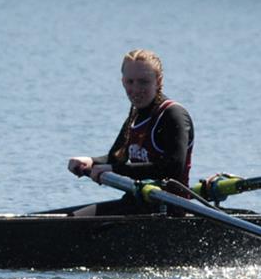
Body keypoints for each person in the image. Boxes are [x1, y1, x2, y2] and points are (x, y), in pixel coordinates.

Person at [65, 48, 194, 215]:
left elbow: (172, 168)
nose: (136, 89)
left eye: (144, 82)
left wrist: (114, 169)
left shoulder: (173, 115)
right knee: (71, 219)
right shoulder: (135, 115)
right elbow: (116, 158)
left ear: (158, 81)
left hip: (169, 209)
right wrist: (90, 161)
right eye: (130, 82)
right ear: (122, 81)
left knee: (76, 220)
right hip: (139, 202)